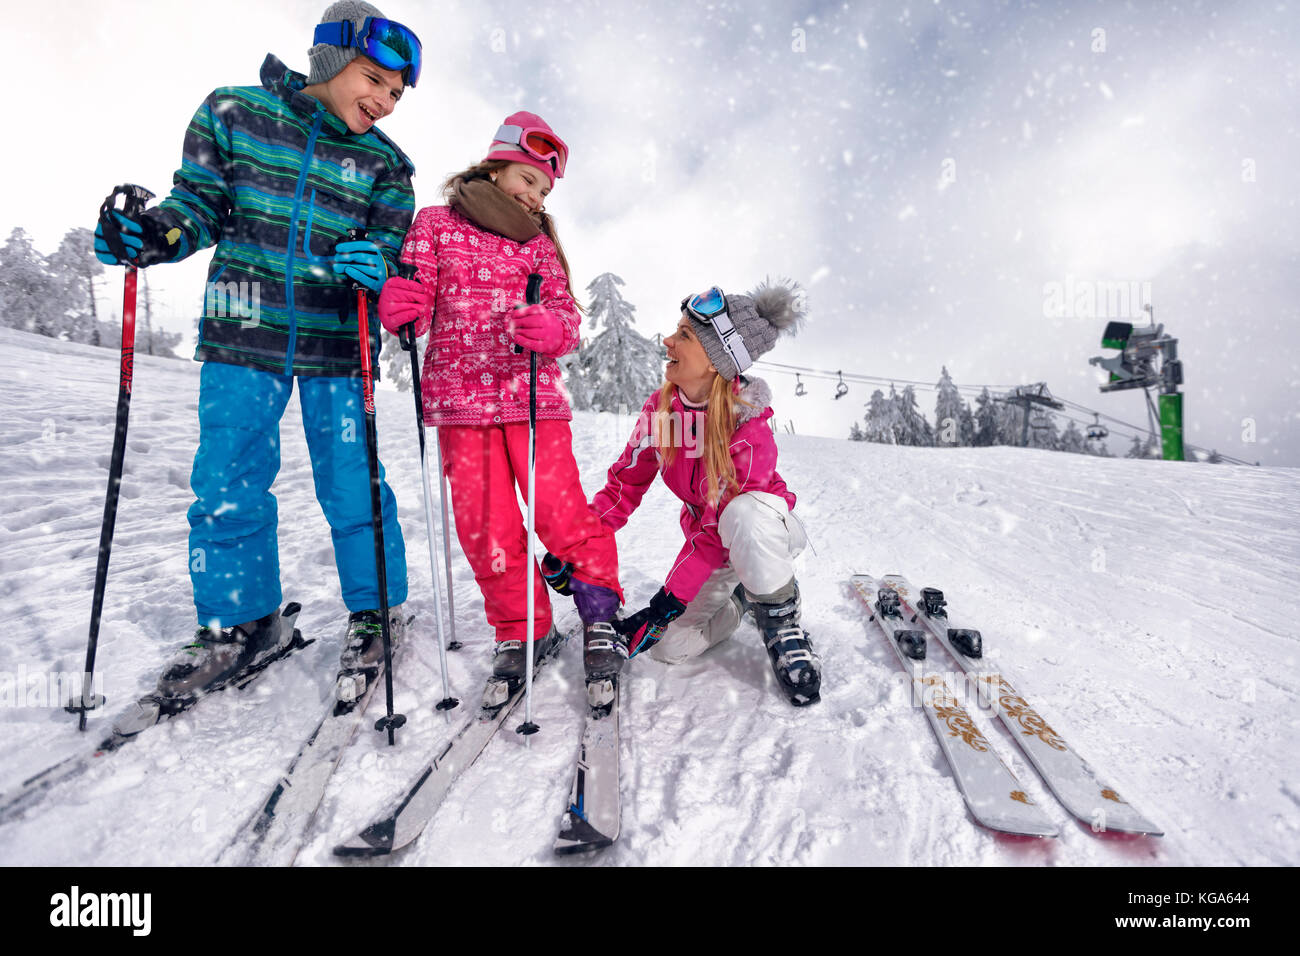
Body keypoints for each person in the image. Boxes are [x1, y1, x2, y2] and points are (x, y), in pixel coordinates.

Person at [91, 2, 422, 699]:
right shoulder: (234, 113)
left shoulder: (387, 165)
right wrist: (152, 235)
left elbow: (394, 256)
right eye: (374, 79)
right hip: (243, 331)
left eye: (396, 93)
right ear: (331, 59)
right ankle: (241, 624)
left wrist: (379, 267)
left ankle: (376, 611)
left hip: (338, 342)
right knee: (226, 477)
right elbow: (197, 206)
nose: (385, 101)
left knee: (352, 479)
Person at [377, 112, 624, 686]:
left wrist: (552, 329)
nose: (536, 197)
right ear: (495, 166)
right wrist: (403, 306)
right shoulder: (435, 224)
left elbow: (565, 316)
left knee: (561, 516)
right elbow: (417, 297)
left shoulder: (537, 245)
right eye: (529, 180)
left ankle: (600, 614)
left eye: (544, 191)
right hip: (460, 406)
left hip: (532, 403)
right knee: (486, 527)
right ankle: (523, 626)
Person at [592, 281, 821, 706]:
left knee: (744, 515)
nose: (668, 341)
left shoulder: (747, 429)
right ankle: (743, 600)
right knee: (669, 646)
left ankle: (781, 618)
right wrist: (578, 541)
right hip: (711, 546)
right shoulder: (661, 411)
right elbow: (625, 483)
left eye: (684, 335)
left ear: (717, 361)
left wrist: (667, 600)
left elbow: (720, 525)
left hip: (762, 532)